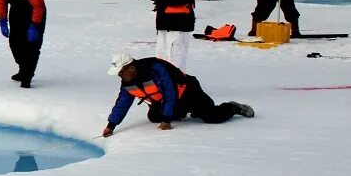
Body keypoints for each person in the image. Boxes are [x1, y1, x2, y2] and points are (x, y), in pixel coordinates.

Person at [100, 52, 253, 136]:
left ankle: (233, 108)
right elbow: (122, 102)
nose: (119, 76)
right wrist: (111, 125)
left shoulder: (156, 68)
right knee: (154, 117)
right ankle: (180, 112)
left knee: (212, 117)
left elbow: (170, 92)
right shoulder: (128, 81)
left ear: (130, 68)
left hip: (189, 92)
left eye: (120, 72)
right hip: (169, 100)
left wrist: (167, 119)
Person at [0, 0, 47, 88]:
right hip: (17, 12)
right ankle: (23, 69)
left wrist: (35, 25)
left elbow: (38, 6)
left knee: (32, 46)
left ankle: (27, 76)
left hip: (34, 13)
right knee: (15, 43)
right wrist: (2, 20)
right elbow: (0, 1)